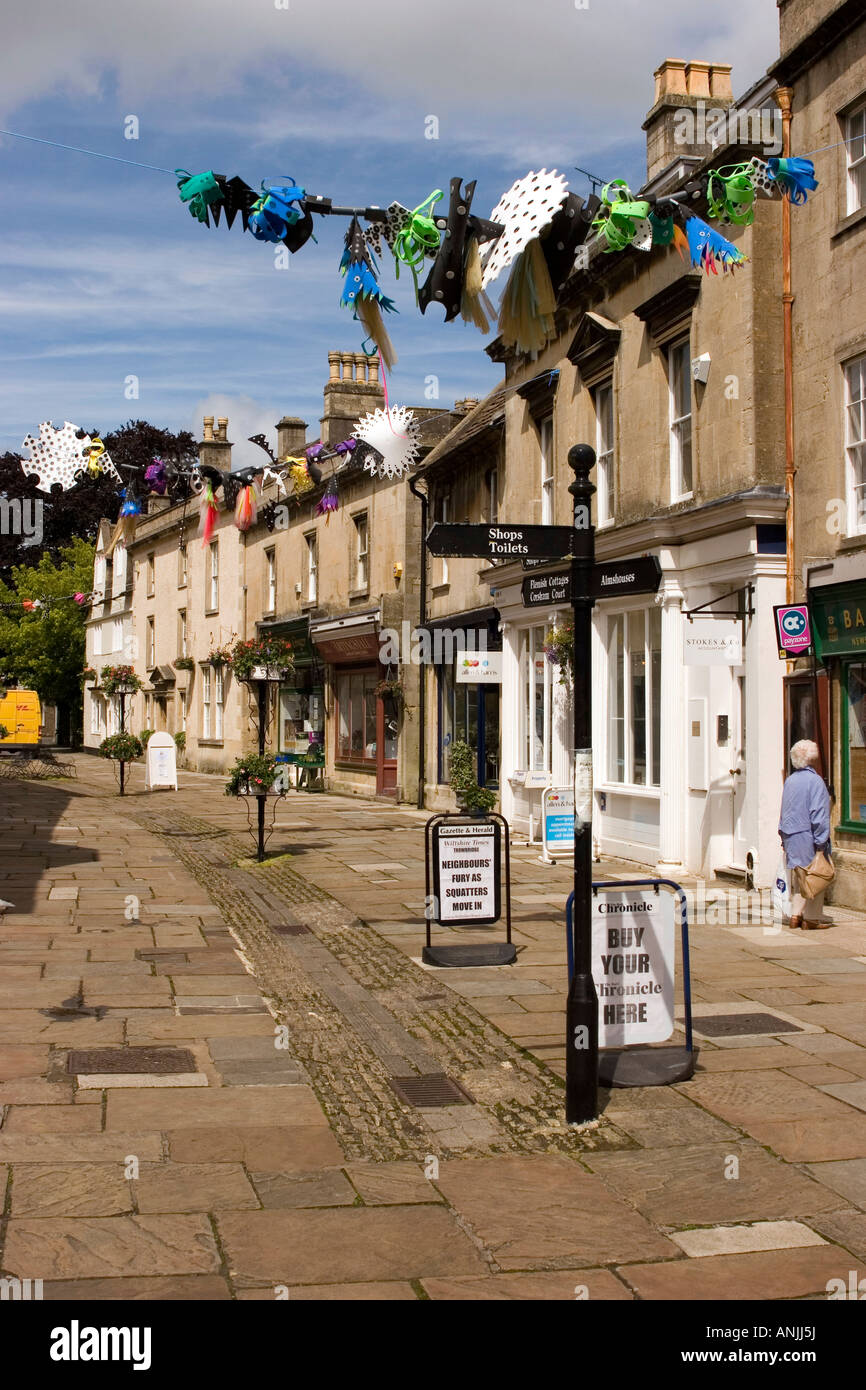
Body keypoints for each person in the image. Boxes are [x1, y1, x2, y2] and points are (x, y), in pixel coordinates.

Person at [778, 739, 832, 929]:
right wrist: (821, 842)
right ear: (812, 757)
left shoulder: (791, 780)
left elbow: (785, 809)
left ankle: (795, 916)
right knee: (816, 878)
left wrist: (783, 835)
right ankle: (811, 919)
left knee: (799, 879)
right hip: (807, 836)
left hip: (791, 834)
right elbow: (819, 814)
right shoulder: (815, 780)